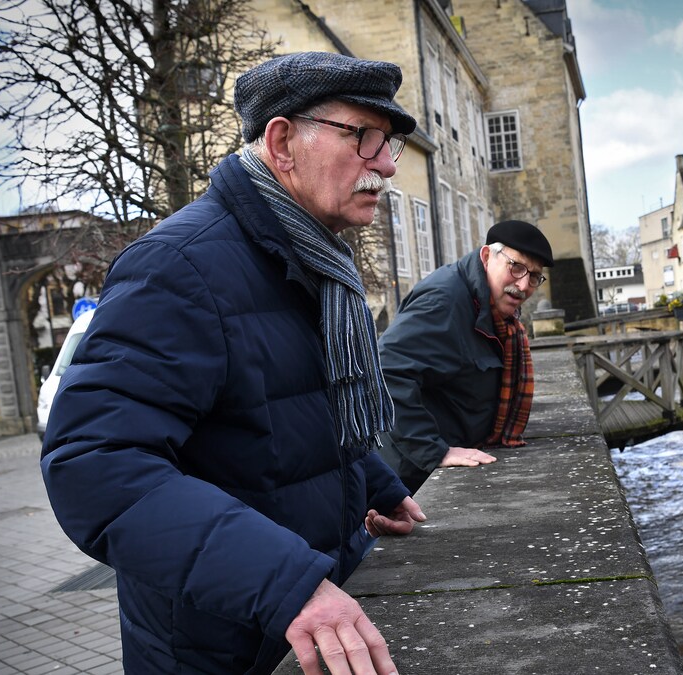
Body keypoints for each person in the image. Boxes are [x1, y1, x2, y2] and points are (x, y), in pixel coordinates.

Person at [40, 52, 426, 675]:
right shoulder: (180, 266)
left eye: (390, 145)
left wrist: (370, 480)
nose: (384, 165)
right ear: (281, 141)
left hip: (290, 625)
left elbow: (281, 414)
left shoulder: (312, 260)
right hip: (219, 646)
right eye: (364, 138)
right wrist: (286, 583)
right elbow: (93, 466)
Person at [377, 220, 553, 493]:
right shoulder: (444, 301)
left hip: (431, 470)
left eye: (533, 276)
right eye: (516, 267)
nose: (523, 284)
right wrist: (434, 451)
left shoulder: (492, 308)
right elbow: (385, 371)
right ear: (486, 256)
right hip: (411, 477)